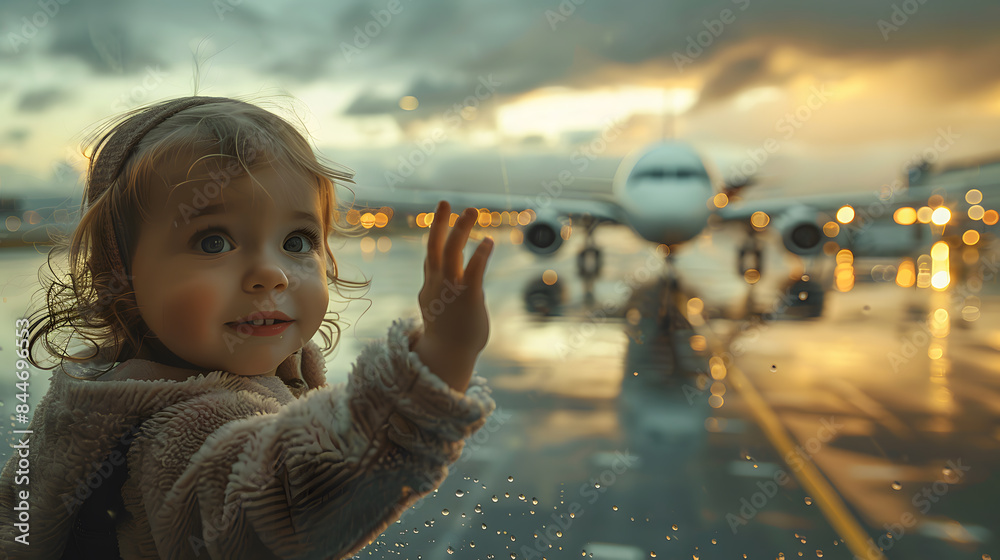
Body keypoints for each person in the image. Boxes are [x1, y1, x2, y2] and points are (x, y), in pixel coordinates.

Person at [0, 96, 497, 559]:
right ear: (120, 272)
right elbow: (291, 503)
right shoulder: (184, 429)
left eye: (298, 241)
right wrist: (438, 362)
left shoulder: (104, 389)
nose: (272, 273)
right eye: (213, 242)